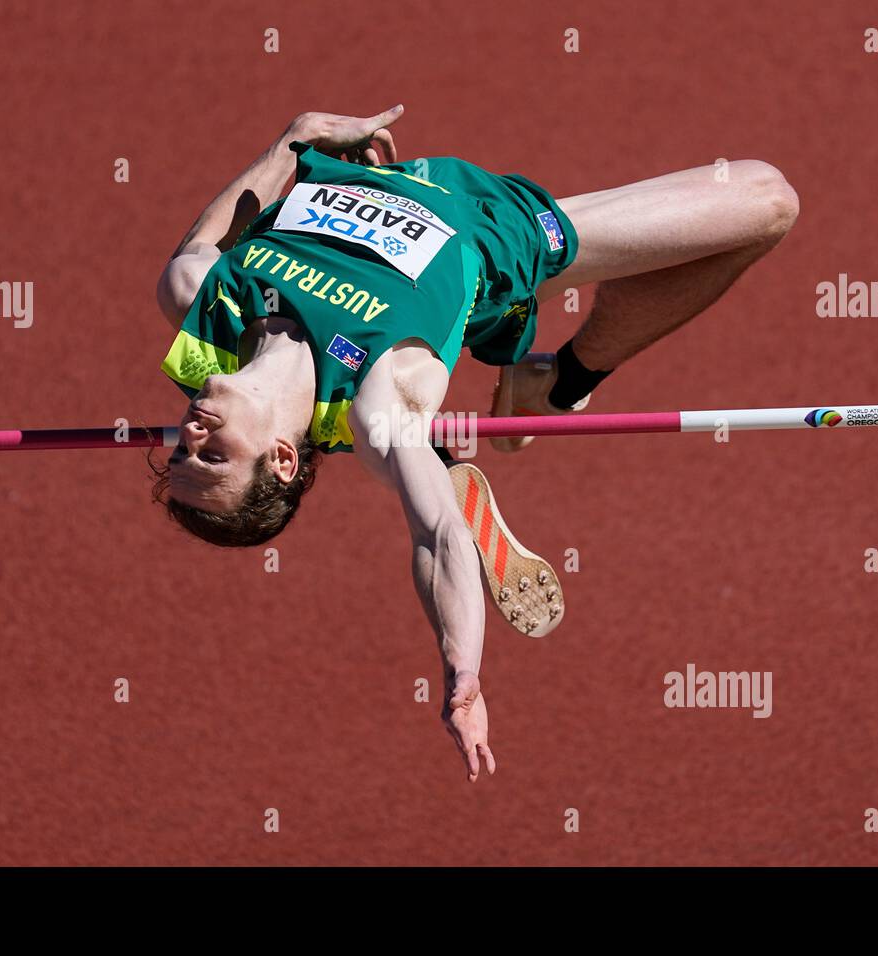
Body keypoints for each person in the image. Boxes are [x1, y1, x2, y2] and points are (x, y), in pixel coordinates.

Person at [153, 106, 799, 781]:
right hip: (496, 232)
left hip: (407, 182)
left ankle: (482, 426)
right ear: (282, 459)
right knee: (767, 199)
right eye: (214, 457)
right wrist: (463, 673)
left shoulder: (201, 303)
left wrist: (295, 137)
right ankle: (559, 383)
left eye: (180, 453)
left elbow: (207, 237)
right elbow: (438, 536)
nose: (191, 437)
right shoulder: (375, 401)